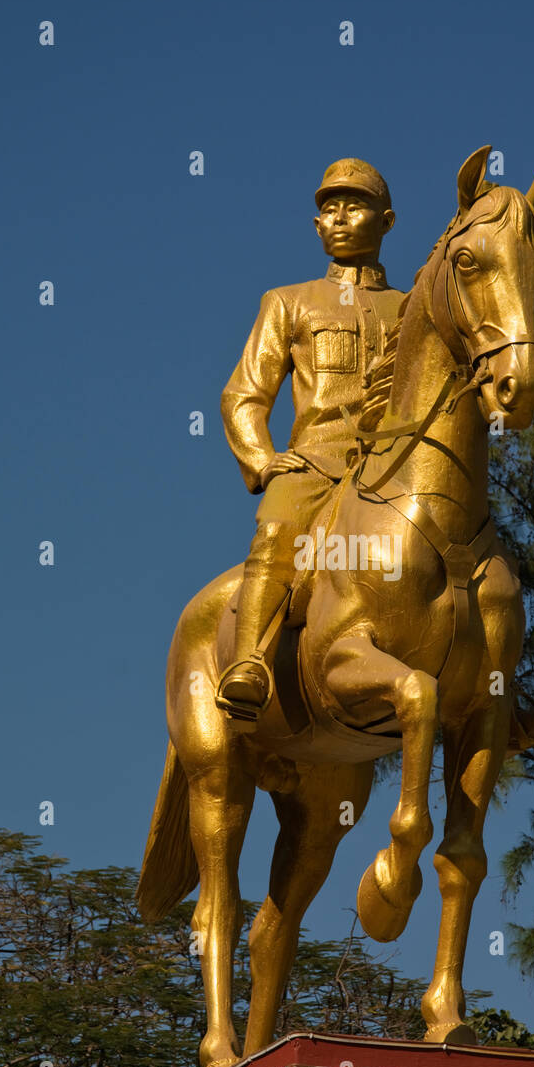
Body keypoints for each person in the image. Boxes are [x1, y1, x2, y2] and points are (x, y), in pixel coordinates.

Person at [216, 159, 405, 720]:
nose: (340, 218)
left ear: (386, 220)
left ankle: (495, 696)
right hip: (316, 465)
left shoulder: (413, 308)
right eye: (330, 209)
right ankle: (249, 662)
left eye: (355, 206)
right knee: (277, 530)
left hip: (395, 470)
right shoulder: (288, 301)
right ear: (316, 225)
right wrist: (263, 459)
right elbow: (243, 395)